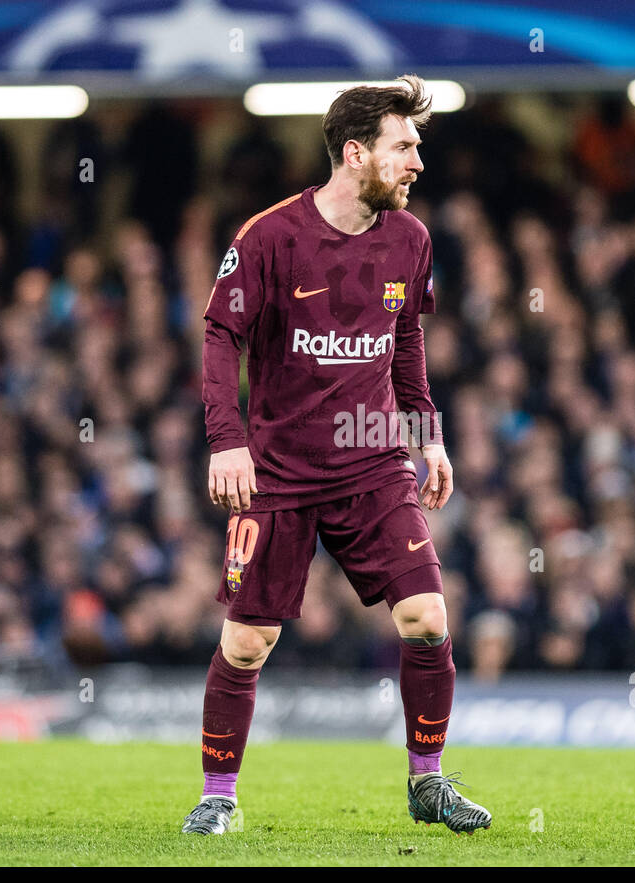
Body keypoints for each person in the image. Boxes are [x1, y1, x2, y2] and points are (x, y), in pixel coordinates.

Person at [183, 75, 491, 836]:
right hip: (280, 471)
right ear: (357, 153)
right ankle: (218, 796)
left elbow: (406, 343)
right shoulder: (268, 239)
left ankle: (428, 783)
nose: (418, 160)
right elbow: (221, 337)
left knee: (426, 618)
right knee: (249, 643)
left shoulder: (411, 240)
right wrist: (229, 441)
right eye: (405, 146)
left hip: (372, 463)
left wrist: (428, 437)